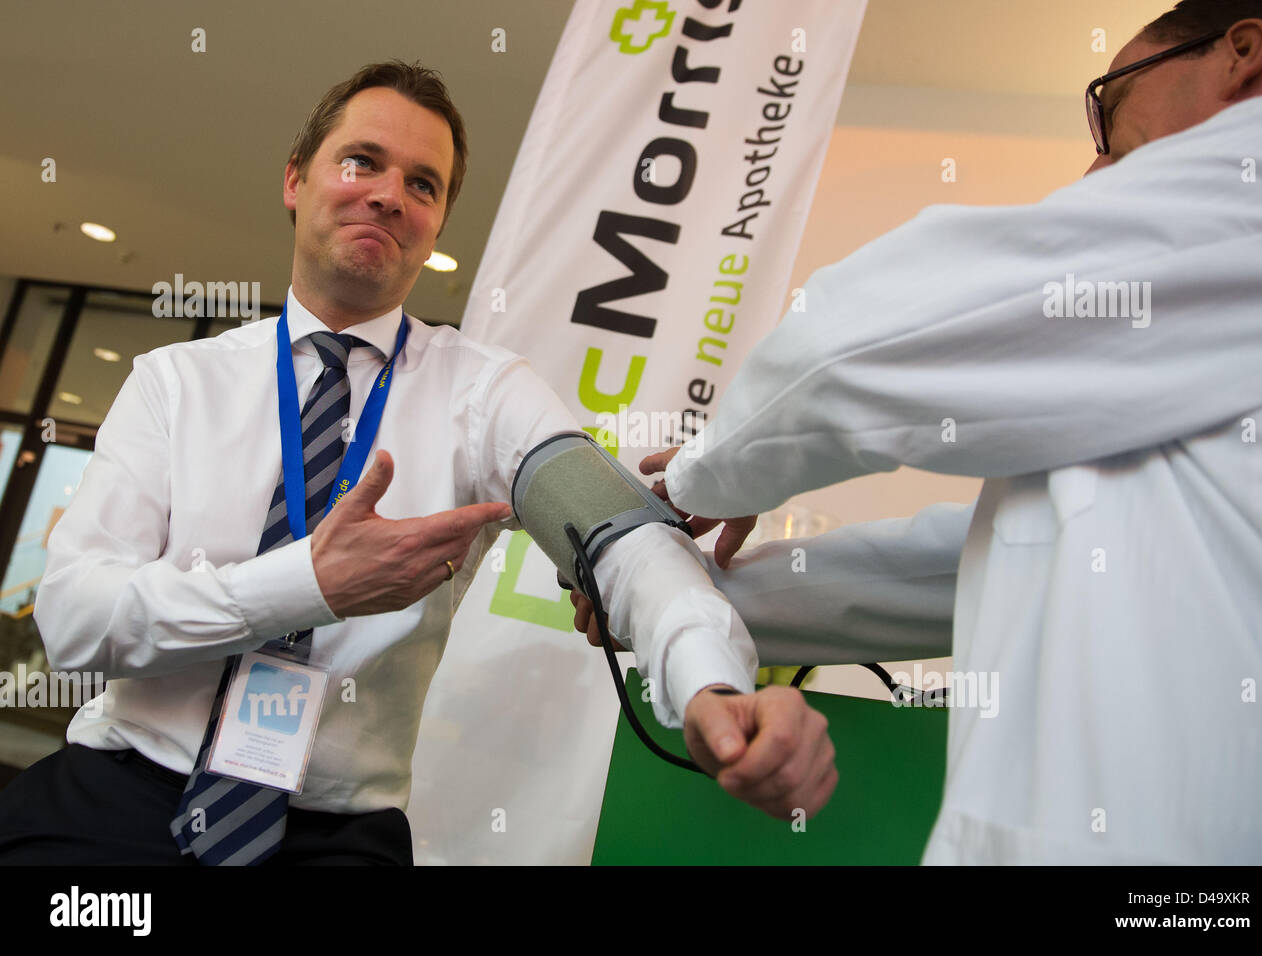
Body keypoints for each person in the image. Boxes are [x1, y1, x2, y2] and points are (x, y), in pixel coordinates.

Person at [0, 60, 835, 866]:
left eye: (423, 184)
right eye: (361, 160)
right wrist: (308, 584)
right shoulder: (175, 385)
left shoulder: (484, 392)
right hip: (115, 798)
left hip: (333, 833)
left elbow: (619, 537)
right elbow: (75, 619)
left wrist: (709, 686)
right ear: (296, 179)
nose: (389, 195)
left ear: (436, 224)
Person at [576, 0, 1262, 863]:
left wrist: (692, 482)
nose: (1096, 163)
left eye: (1108, 107)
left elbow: (848, 344)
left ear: (1242, 54)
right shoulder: (1215, 368)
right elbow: (998, 558)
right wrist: (705, 606)